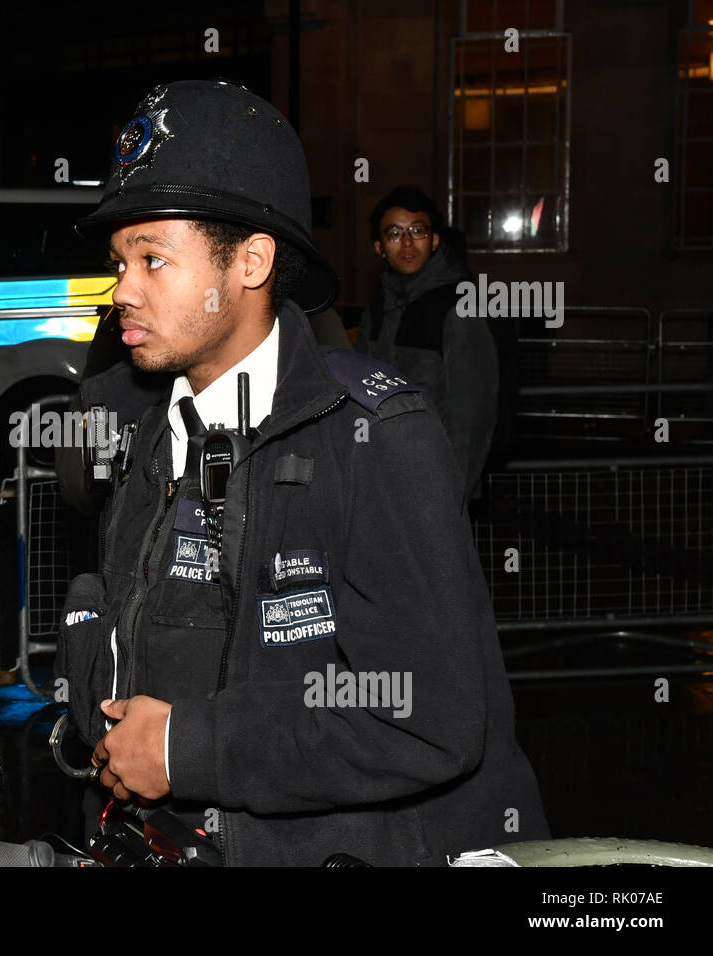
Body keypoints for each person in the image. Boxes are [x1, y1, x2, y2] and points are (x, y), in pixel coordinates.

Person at [54, 79, 547, 865]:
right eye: (120, 261)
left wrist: (188, 747)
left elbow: (425, 717)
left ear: (250, 261)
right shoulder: (137, 431)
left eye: (153, 259)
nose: (124, 291)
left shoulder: (376, 438)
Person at [354, 186, 500, 501]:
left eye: (417, 231)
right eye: (394, 233)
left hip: (439, 488)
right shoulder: (376, 311)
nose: (407, 242)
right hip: (385, 483)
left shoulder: (459, 307)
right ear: (379, 247)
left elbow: (473, 415)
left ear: (434, 241)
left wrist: (453, 497)